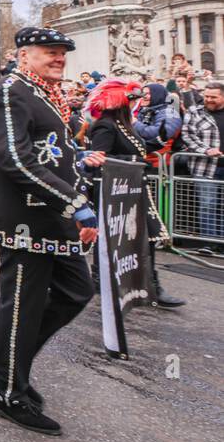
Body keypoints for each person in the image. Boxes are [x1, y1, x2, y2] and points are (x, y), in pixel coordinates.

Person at [0, 27, 107, 435]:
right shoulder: (9, 92)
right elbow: (14, 158)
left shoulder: (42, 93)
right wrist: (75, 202)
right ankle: (6, 391)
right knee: (21, 305)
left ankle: (6, 356)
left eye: (63, 53)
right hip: (25, 220)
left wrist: (80, 162)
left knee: (76, 292)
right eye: (50, 52)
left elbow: (48, 150)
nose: (59, 58)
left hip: (54, 218)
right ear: (24, 55)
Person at [84, 80, 183, 307]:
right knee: (113, 237)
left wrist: (155, 143)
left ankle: (150, 284)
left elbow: (138, 148)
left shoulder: (126, 125)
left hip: (135, 190)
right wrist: (133, 162)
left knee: (146, 236)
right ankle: (103, 279)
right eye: (131, 100)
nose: (135, 104)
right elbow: (99, 159)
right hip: (115, 192)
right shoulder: (105, 126)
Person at [178, 80, 224, 250]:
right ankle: (210, 243)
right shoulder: (194, 111)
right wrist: (206, 150)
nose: (209, 99)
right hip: (205, 167)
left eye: (214, 97)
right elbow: (188, 135)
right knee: (207, 204)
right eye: (206, 96)